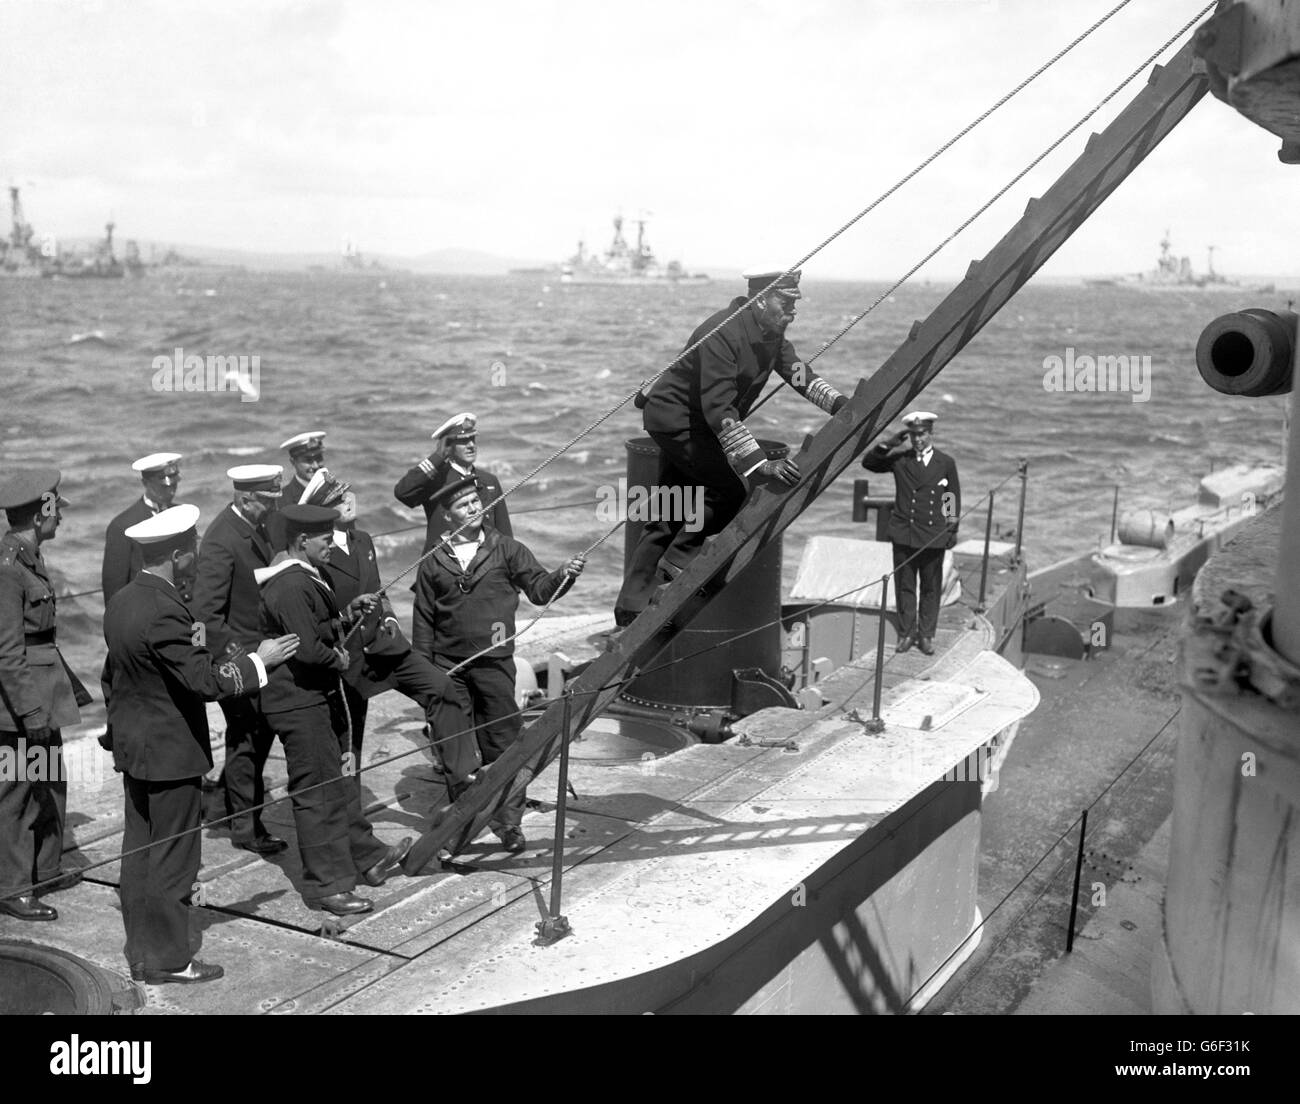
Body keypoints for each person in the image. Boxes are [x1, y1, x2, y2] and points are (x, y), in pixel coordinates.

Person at [101, 504, 299, 984]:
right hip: (168, 754)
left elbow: (113, 677)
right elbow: (204, 681)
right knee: (174, 858)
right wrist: (259, 661)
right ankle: (168, 961)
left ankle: (142, 950)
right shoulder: (164, 609)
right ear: (174, 556)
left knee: (139, 853)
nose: (195, 552)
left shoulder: (124, 600)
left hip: (135, 747)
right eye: (189, 547)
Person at [614, 268, 848, 626]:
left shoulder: (771, 334)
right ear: (759, 301)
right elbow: (719, 408)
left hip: (698, 422)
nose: (792, 311)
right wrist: (758, 465)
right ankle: (675, 572)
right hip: (675, 420)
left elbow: (798, 374)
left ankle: (631, 607)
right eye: (785, 302)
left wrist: (838, 404)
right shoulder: (723, 332)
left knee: (669, 508)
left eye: (794, 303)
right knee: (728, 488)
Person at [411, 478, 584, 853]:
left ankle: (509, 823)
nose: (473, 509)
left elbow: (539, 589)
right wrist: (425, 676)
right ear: (448, 515)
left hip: (493, 663)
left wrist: (563, 576)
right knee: (456, 750)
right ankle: (462, 823)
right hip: (448, 668)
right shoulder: (433, 560)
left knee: (502, 743)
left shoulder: (507, 549)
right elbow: (423, 621)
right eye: (463, 506)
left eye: (476, 502)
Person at [256, 504, 412, 916]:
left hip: (311, 698)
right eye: (325, 538)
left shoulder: (304, 577)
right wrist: (336, 659)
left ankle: (364, 860)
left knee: (333, 785)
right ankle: (326, 886)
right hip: (298, 702)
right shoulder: (291, 584)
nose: (333, 543)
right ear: (302, 541)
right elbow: (307, 649)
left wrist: (344, 617)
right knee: (315, 795)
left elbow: (312, 630)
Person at [300, 470, 479, 786]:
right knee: (348, 747)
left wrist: (391, 618)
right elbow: (315, 615)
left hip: (386, 647)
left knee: (441, 688)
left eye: (348, 493)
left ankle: (463, 777)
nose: (348, 500)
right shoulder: (317, 556)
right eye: (337, 500)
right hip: (350, 662)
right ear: (321, 513)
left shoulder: (364, 540)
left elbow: (379, 589)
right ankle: (352, 826)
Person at [0, 468, 89, 922]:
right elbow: (7, 652)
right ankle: (14, 888)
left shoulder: (30, 557)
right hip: (20, 706)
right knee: (17, 793)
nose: (62, 518)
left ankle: (46, 868)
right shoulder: (9, 568)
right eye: (56, 509)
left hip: (44, 693)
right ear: (41, 513)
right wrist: (31, 712)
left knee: (51, 781)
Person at [189, 465, 287, 855]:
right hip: (240, 662)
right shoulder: (221, 540)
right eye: (268, 500)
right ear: (246, 499)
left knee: (256, 738)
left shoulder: (253, 525)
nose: (273, 507)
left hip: (260, 656)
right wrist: (245, 662)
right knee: (246, 740)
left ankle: (228, 809)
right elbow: (205, 615)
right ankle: (246, 827)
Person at [861, 410, 961, 656]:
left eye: (922, 434)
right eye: (914, 435)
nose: (918, 439)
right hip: (904, 533)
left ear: (930, 434)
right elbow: (869, 463)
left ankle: (926, 635)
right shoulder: (901, 460)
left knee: (930, 587)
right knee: (905, 586)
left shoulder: (945, 463)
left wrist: (951, 529)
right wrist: (889, 443)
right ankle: (906, 634)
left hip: (932, 535)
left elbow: (950, 497)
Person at [394, 412, 512, 554]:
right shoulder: (434, 479)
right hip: (444, 564)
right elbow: (403, 492)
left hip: (484, 566)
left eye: (473, 439)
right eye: (463, 441)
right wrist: (437, 457)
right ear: (449, 446)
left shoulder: (488, 481)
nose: (471, 445)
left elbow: (504, 532)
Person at [101, 452, 183, 603]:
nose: (171, 490)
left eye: (174, 484)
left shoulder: (182, 515)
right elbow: (114, 591)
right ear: (145, 483)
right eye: (164, 486)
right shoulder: (122, 526)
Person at [266, 431, 328, 551]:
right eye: (308, 460)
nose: (315, 465)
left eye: (319, 458)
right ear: (293, 462)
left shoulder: (334, 492)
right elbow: (278, 548)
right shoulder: (282, 502)